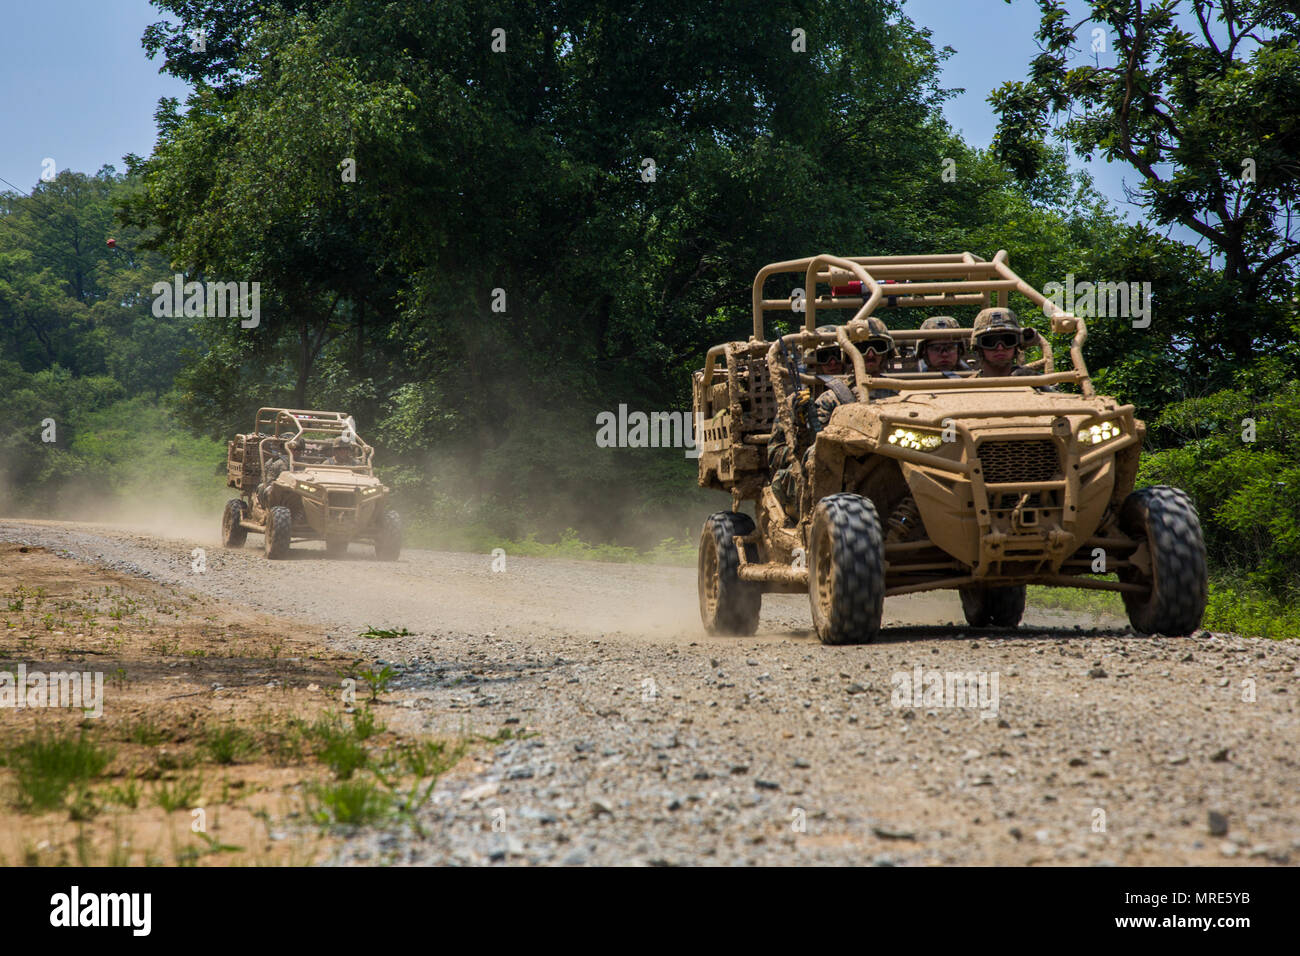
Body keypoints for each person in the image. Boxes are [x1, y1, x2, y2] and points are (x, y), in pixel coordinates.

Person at [768, 319, 896, 518]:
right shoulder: (811, 400)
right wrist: (802, 428)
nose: (832, 363)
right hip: (830, 475)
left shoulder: (896, 390)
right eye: (824, 356)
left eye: (836, 355)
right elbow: (777, 455)